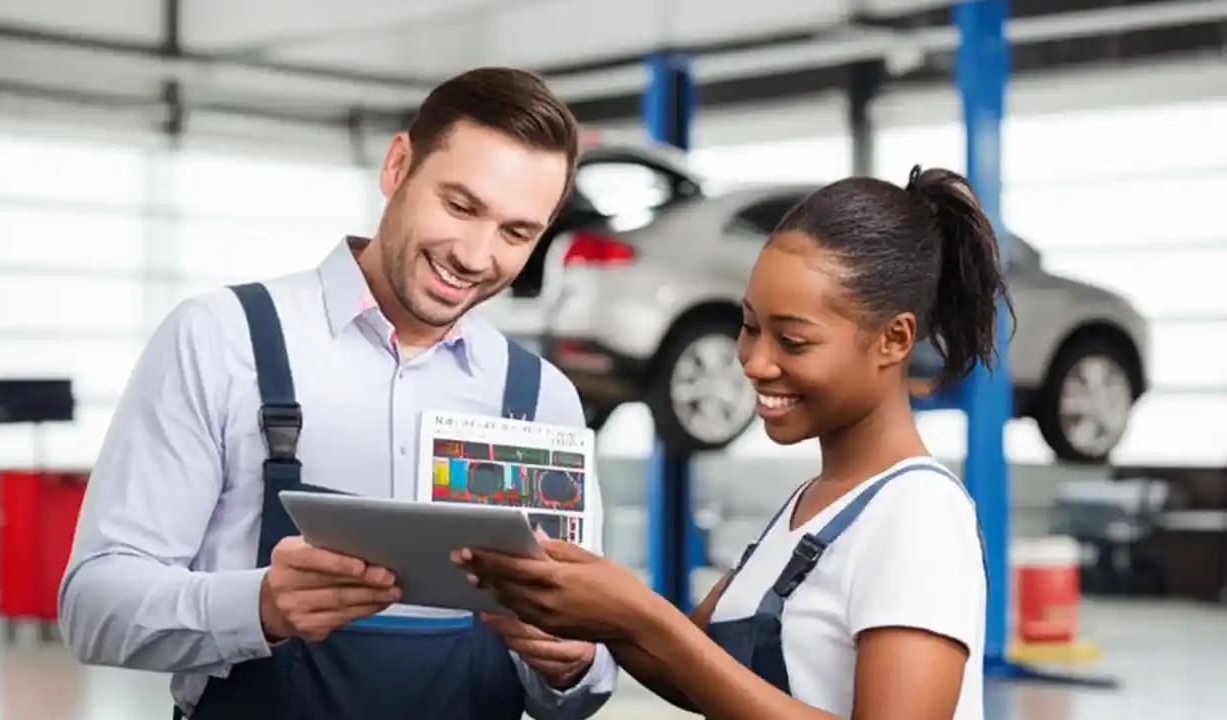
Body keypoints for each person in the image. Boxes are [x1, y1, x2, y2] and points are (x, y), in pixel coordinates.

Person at [58, 67, 618, 720]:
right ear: (397, 165)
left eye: (515, 233)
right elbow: (93, 607)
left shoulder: (540, 398)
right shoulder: (222, 340)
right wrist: (259, 606)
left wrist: (574, 662)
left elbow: (579, 678)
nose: (474, 254)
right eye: (460, 207)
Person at [457, 166, 1009, 720]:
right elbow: (693, 668)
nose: (755, 362)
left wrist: (639, 612)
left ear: (894, 339)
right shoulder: (812, 506)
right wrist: (574, 599)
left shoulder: (917, 514)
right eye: (749, 327)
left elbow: (675, 644)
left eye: (793, 340)